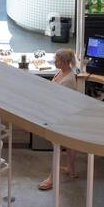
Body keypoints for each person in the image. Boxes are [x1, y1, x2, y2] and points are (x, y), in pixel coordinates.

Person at [39, 50, 79, 191]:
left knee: (57, 145)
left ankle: (52, 178)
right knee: (69, 144)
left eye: (56, 60)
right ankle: (71, 169)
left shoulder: (68, 80)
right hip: (62, 114)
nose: (54, 62)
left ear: (63, 61)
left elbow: (59, 100)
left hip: (63, 117)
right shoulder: (61, 73)